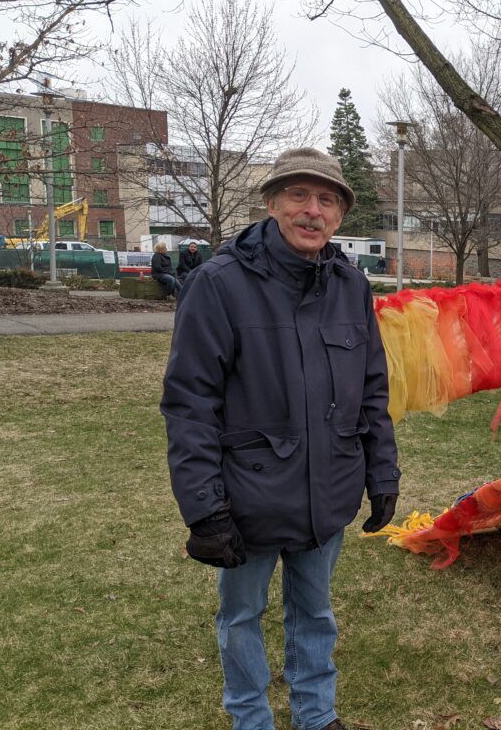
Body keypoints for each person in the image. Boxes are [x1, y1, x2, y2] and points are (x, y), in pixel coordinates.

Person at [160, 148, 400, 730]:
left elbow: (372, 389)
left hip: (329, 490)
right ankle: (251, 718)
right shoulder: (218, 284)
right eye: (298, 195)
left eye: (327, 200)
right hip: (248, 498)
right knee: (242, 615)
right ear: (271, 203)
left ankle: (316, 715)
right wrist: (205, 509)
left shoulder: (351, 286)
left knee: (314, 611)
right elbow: (190, 403)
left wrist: (382, 473)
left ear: (340, 215)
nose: (312, 211)